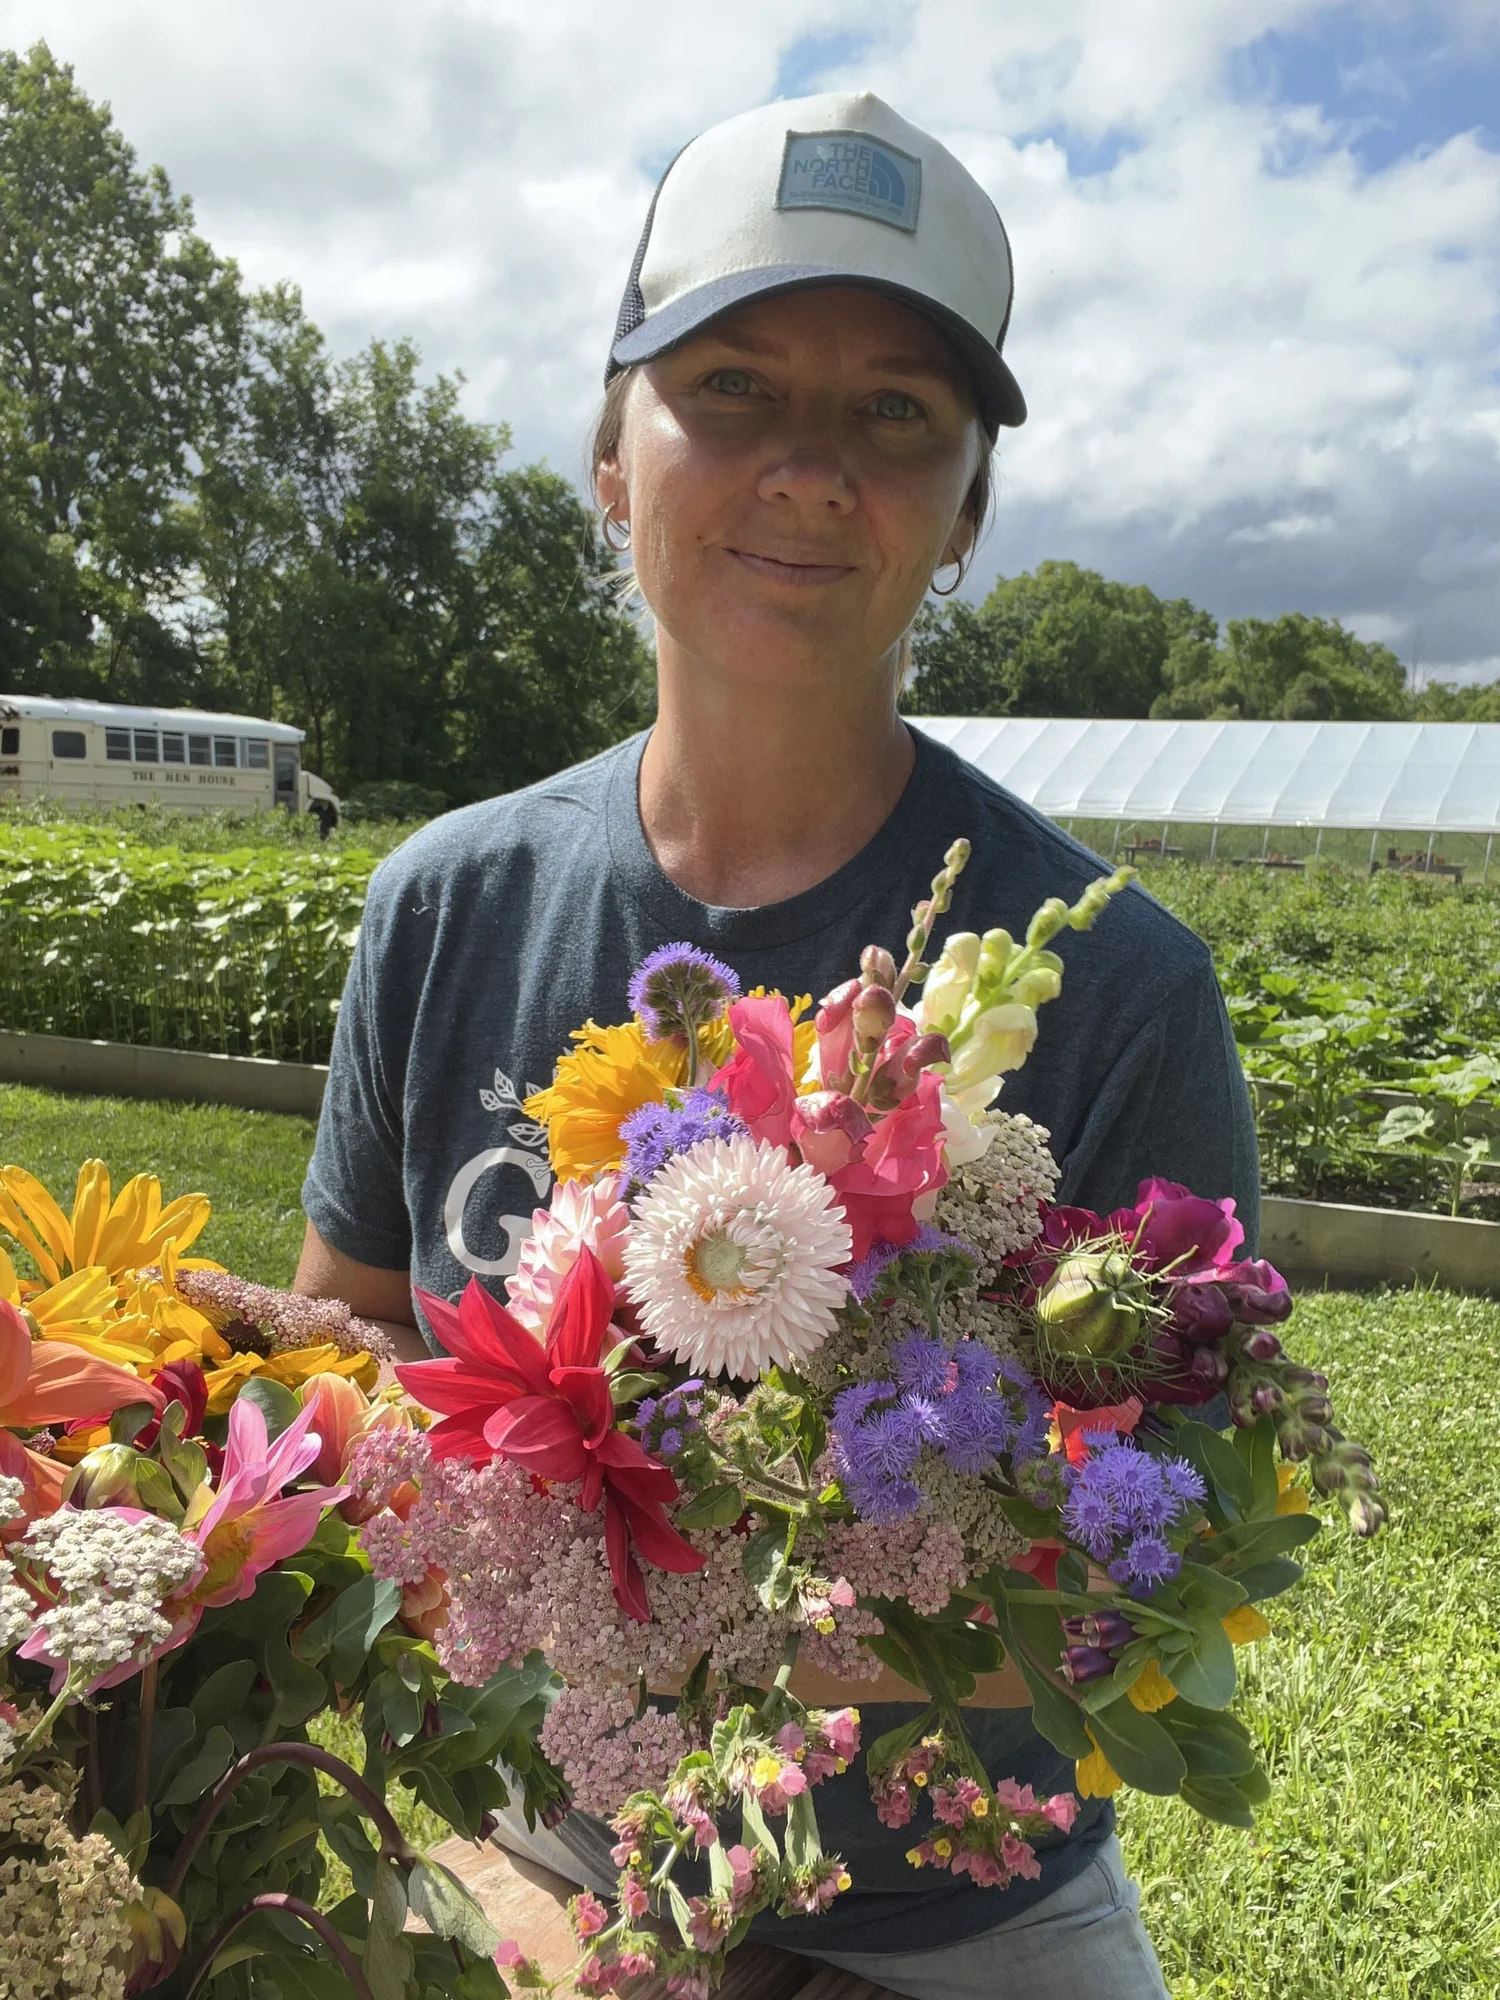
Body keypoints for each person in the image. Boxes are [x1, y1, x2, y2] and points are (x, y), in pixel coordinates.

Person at [298, 89, 1257, 2000]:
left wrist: (706, 1604)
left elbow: (1184, 1555)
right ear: (605, 456)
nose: (810, 468)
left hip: (969, 1915)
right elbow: (359, 1369)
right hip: (536, 1846)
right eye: (728, 384)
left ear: (968, 514)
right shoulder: (445, 902)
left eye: (899, 414)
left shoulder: (1114, 984)